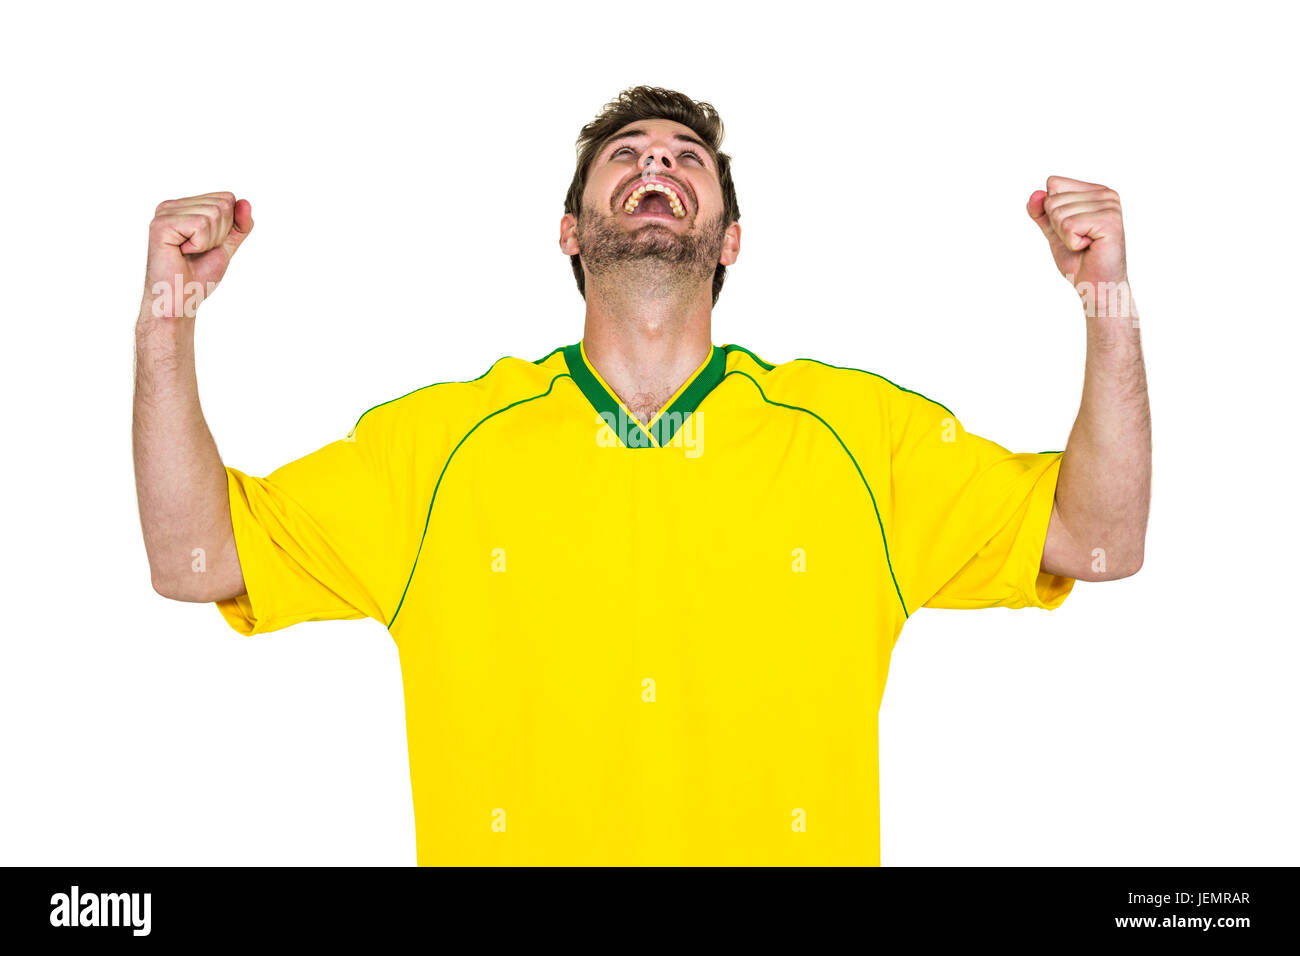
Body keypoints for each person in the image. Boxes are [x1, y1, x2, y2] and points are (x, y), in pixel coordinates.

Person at [132, 86, 1150, 865]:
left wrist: (1103, 296)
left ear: (730, 239)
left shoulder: (857, 435)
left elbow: (1096, 536)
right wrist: (167, 311)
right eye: (625, 154)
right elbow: (195, 557)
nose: (655, 163)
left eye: (685, 156)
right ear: (572, 232)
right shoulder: (439, 447)